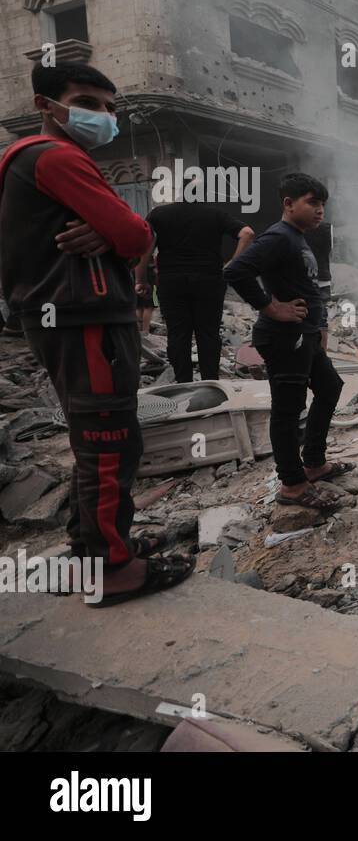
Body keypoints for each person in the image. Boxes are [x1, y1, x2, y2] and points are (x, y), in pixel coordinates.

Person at [0, 63, 194, 604]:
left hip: (63, 318)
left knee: (98, 439)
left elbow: (127, 235)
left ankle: (96, 544)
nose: (103, 117)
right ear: (46, 105)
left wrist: (111, 235)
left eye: (110, 108)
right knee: (110, 443)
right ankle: (112, 571)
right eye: (87, 103)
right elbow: (135, 233)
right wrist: (119, 236)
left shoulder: (28, 162)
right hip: (83, 318)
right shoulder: (56, 156)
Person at [223, 173, 350, 511]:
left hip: (303, 334)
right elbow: (236, 271)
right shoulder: (279, 237)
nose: (319, 210)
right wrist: (271, 307)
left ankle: (314, 463)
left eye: (322, 204)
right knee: (288, 409)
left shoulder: (299, 237)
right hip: (283, 337)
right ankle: (293, 485)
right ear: (289, 203)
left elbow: (307, 286)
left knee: (330, 387)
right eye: (312, 203)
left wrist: (317, 325)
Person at [138, 199, 253, 381]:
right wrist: (231, 266)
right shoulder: (215, 213)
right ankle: (210, 383)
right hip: (209, 281)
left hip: (172, 281)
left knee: (177, 334)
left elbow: (145, 247)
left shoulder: (159, 214)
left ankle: (183, 383)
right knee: (208, 334)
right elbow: (247, 233)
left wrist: (141, 279)